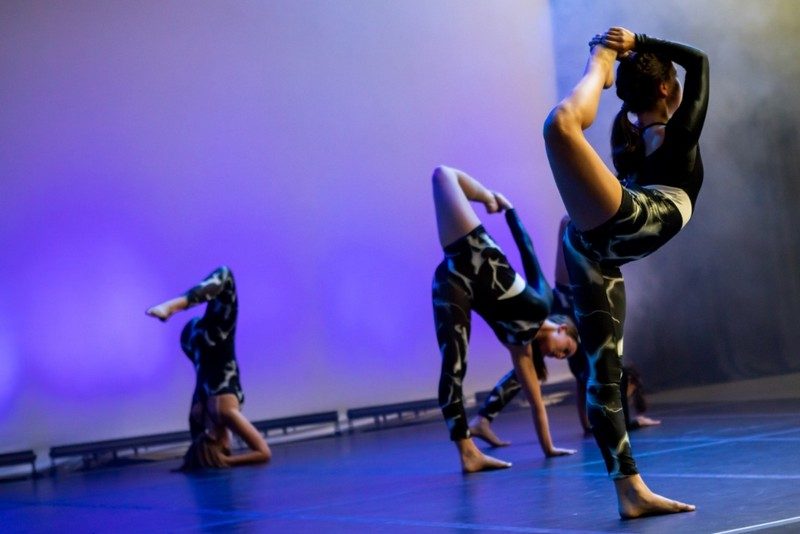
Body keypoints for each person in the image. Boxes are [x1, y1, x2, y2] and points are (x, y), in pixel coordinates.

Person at [542, 27, 708, 517]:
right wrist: (626, 47)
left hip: (594, 246)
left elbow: (692, 65)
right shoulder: (674, 133)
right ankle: (599, 62)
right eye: (670, 79)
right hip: (628, 219)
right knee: (560, 128)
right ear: (665, 89)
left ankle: (630, 491)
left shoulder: (630, 133)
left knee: (603, 378)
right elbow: (698, 60)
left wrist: (637, 48)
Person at [431, 165, 579, 473]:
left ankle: (467, 453)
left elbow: (538, 407)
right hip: (472, 249)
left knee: (453, 367)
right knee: (442, 175)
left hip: (453, 281)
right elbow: (528, 251)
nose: (558, 356)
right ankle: (487, 196)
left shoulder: (521, 349)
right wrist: (506, 209)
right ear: (564, 329)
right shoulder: (545, 301)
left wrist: (549, 449)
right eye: (566, 350)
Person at [469, 216, 659, 448]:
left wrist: (629, 422)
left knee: (526, 371)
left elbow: (588, 415)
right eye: (627, 395)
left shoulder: (583, 365)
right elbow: (612, 385)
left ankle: (482, 419)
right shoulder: (595, 357)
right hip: (564, 300)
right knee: (566, 229)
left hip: (559, 305)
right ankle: (482, 419)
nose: (560, 356)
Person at [146, 266, 271, 469]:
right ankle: (174, 308)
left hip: (214, 340)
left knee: (225, 276)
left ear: (221, 443)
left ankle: (172, 306)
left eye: (227, 445)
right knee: (207, 365)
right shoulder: (197, 417)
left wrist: (226, 461)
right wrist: (208, 461)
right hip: (191, 344)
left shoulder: (225, 414)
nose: (230, 440)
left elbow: (263, 453)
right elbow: (199, 451)